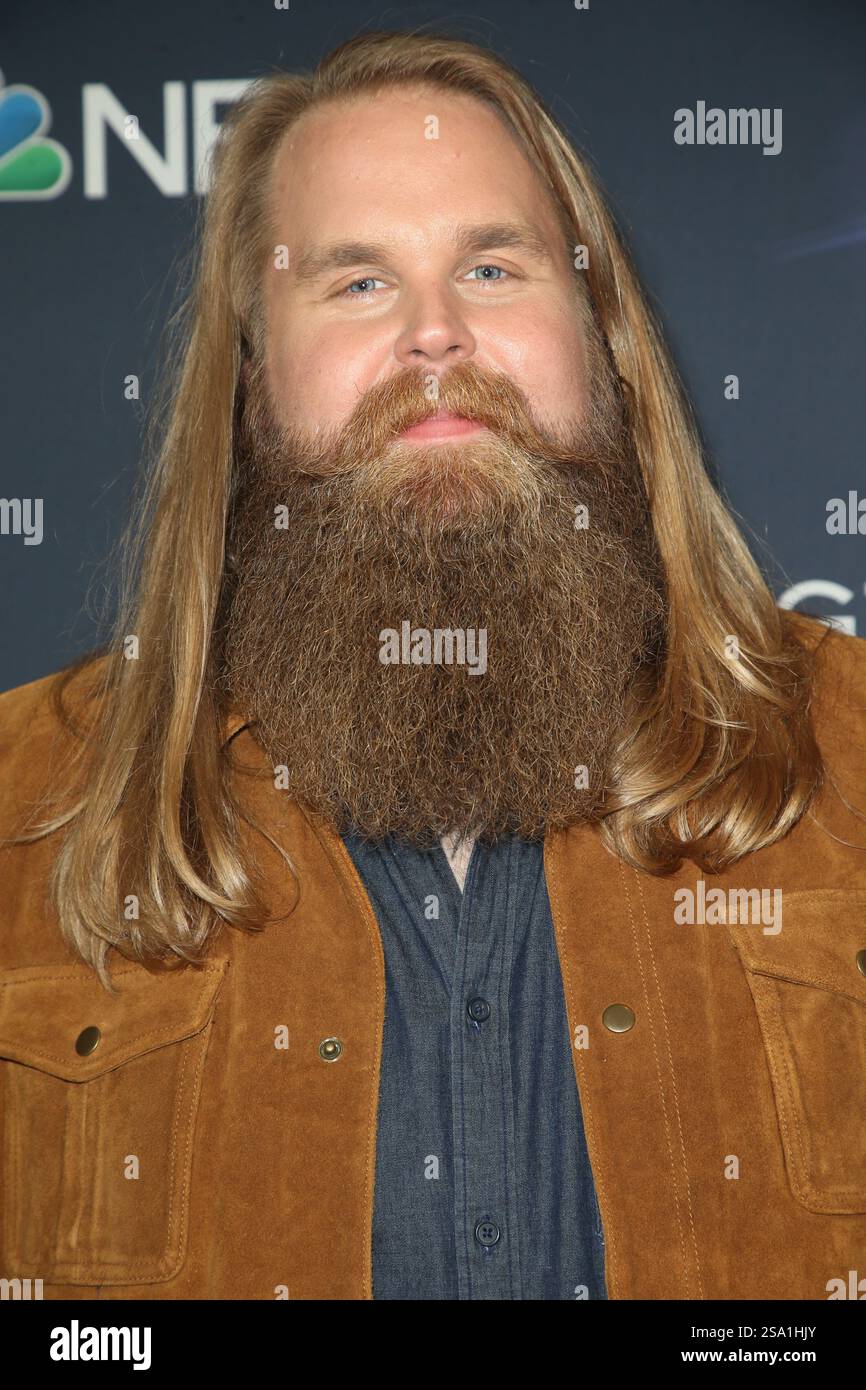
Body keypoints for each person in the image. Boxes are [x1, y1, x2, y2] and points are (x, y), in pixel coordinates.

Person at [1, 29, 865, 1302]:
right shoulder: (23, 810)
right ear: (251, 385)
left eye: (492, 265)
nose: (435, 336)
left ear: (605, 341)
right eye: (355, 283)